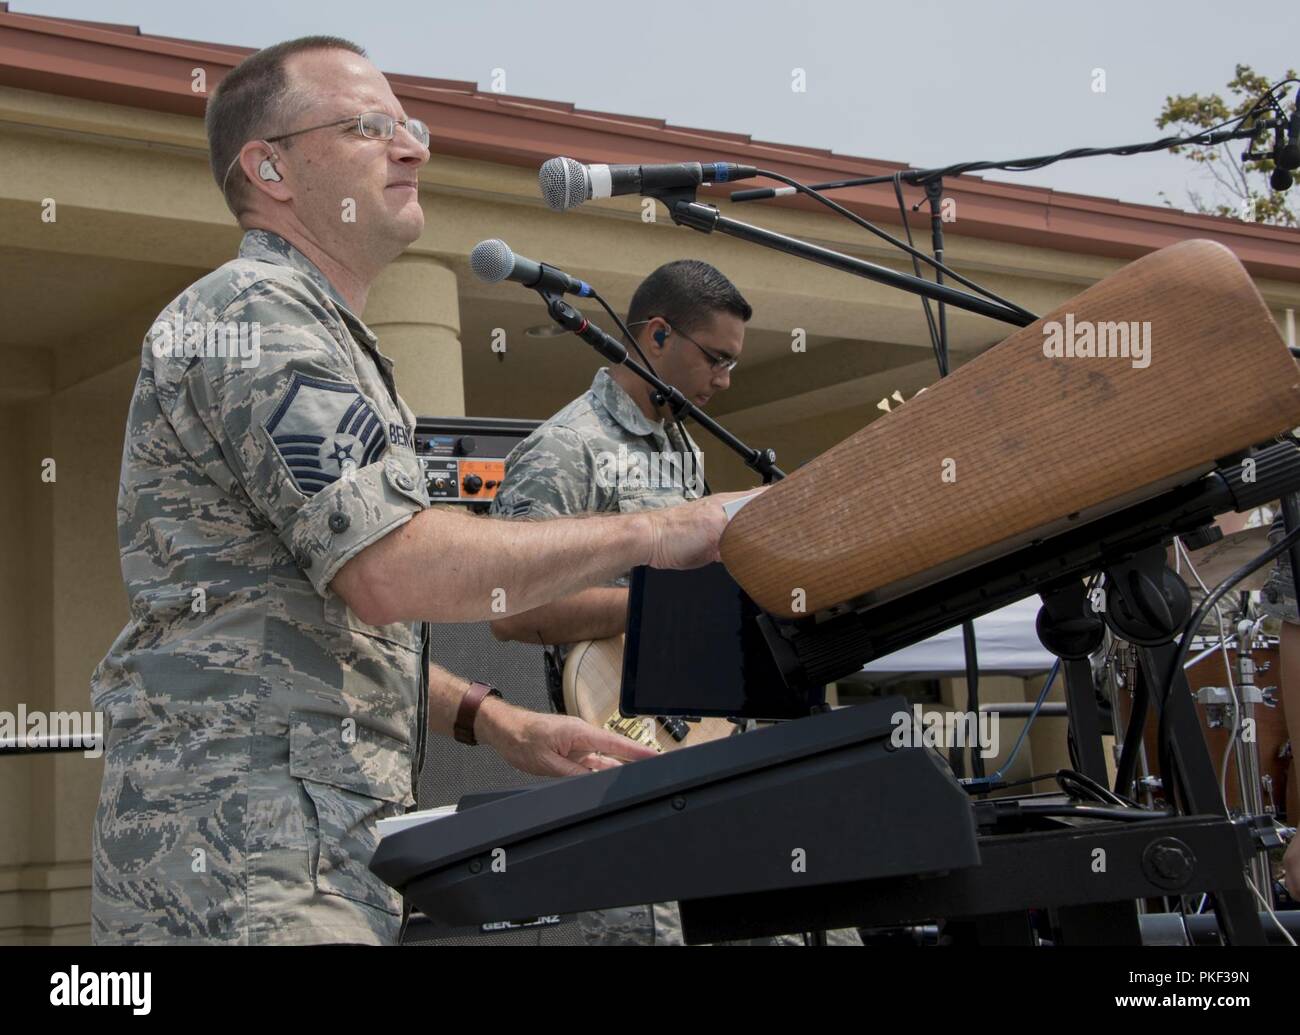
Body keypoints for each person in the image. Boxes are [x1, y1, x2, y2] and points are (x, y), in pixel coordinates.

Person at [90, 36, 746, 946]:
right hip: (242, 849)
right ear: (269, 167)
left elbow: (331, 623)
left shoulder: (321, 334)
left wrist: (494, 719)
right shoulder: (252, 315)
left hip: (308, 839)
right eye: (371, 127)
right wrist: (658, 532)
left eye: (412, 126)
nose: (413, 148)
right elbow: (393, 570)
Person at [489, 259, 748, 945]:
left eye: (731, 364)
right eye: (715, 359)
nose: (722, 380)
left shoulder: (680, 444)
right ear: (657, 336)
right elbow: (509, 609)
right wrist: (661, 608)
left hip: (705, 755)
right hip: (627, 770)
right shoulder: (566, 449)